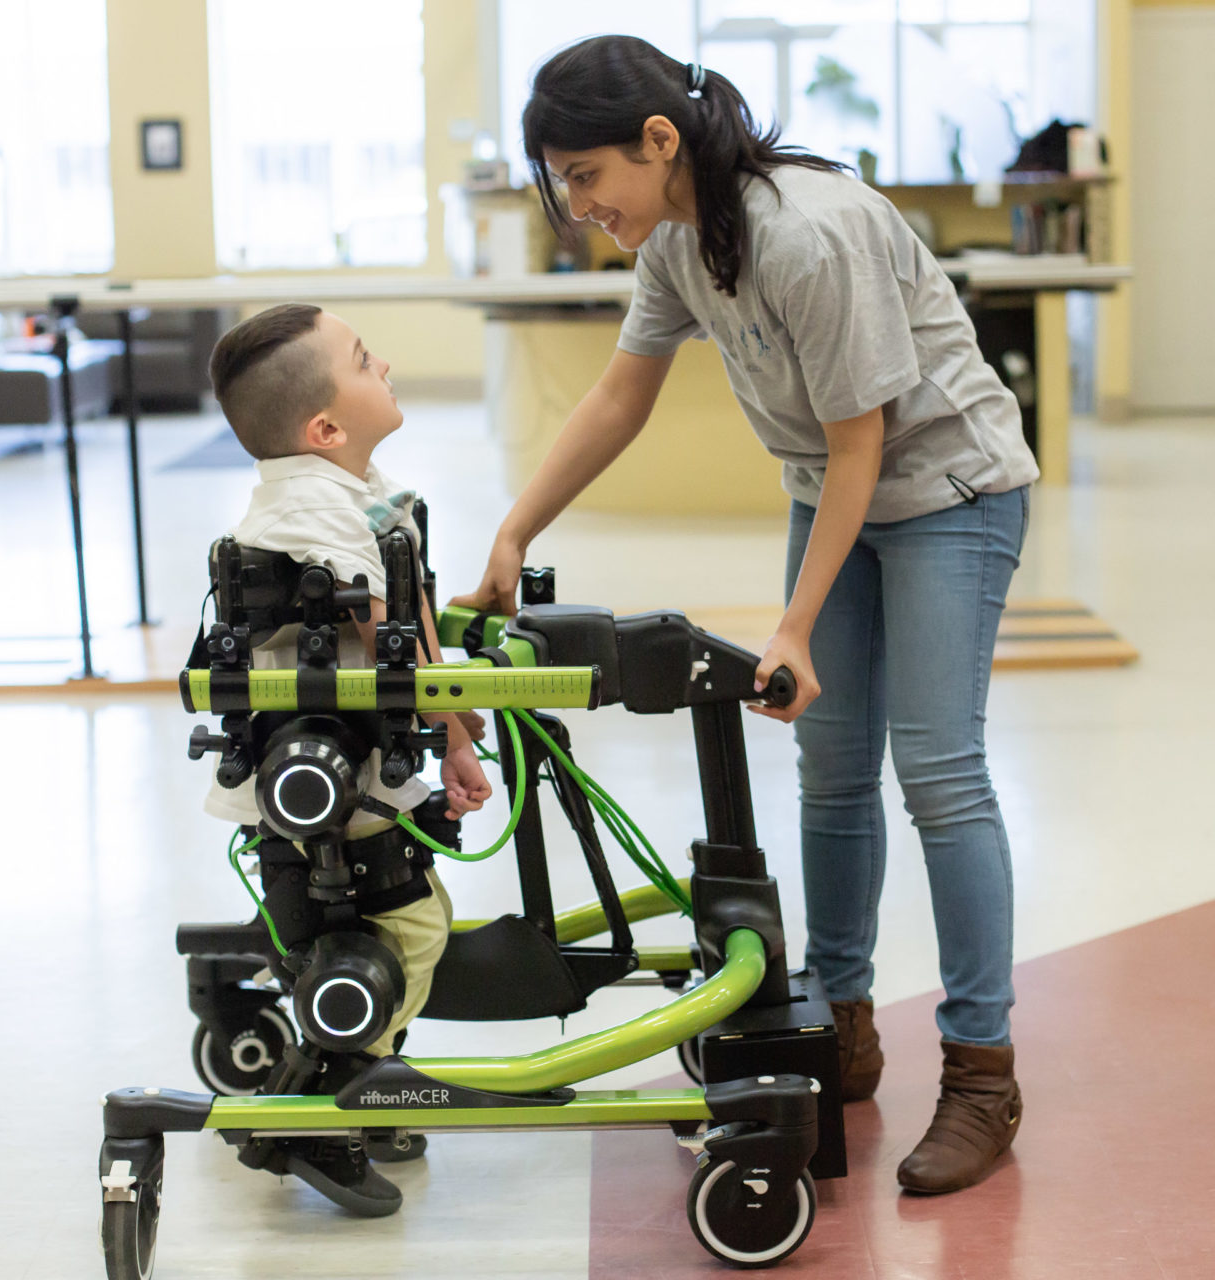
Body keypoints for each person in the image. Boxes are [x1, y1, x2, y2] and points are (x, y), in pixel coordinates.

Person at [452, 35, 1037, 1195]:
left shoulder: (803, 233)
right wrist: (515, 529)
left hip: (949, 491)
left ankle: (981, 1072)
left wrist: (794, 621)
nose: (578, 206)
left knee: (936, 769)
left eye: (585, 175)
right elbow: (623, 392)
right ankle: (842, 1024)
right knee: (827, 769)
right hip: (838, 493)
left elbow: (862, 437)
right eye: (561, 182)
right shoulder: (674, 239)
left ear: (657, 141)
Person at [206, 302, 491, 1216]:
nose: (389, 365)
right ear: (324, 427)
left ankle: (356, 1077)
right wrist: (458, 727)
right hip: (335, 788)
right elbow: (389, 631)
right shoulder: (310, 508)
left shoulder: (351, 489)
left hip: (360, 779)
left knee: (406, 923)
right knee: (402, 936)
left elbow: (406, 608)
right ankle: (321, 1100)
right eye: (367, 362)